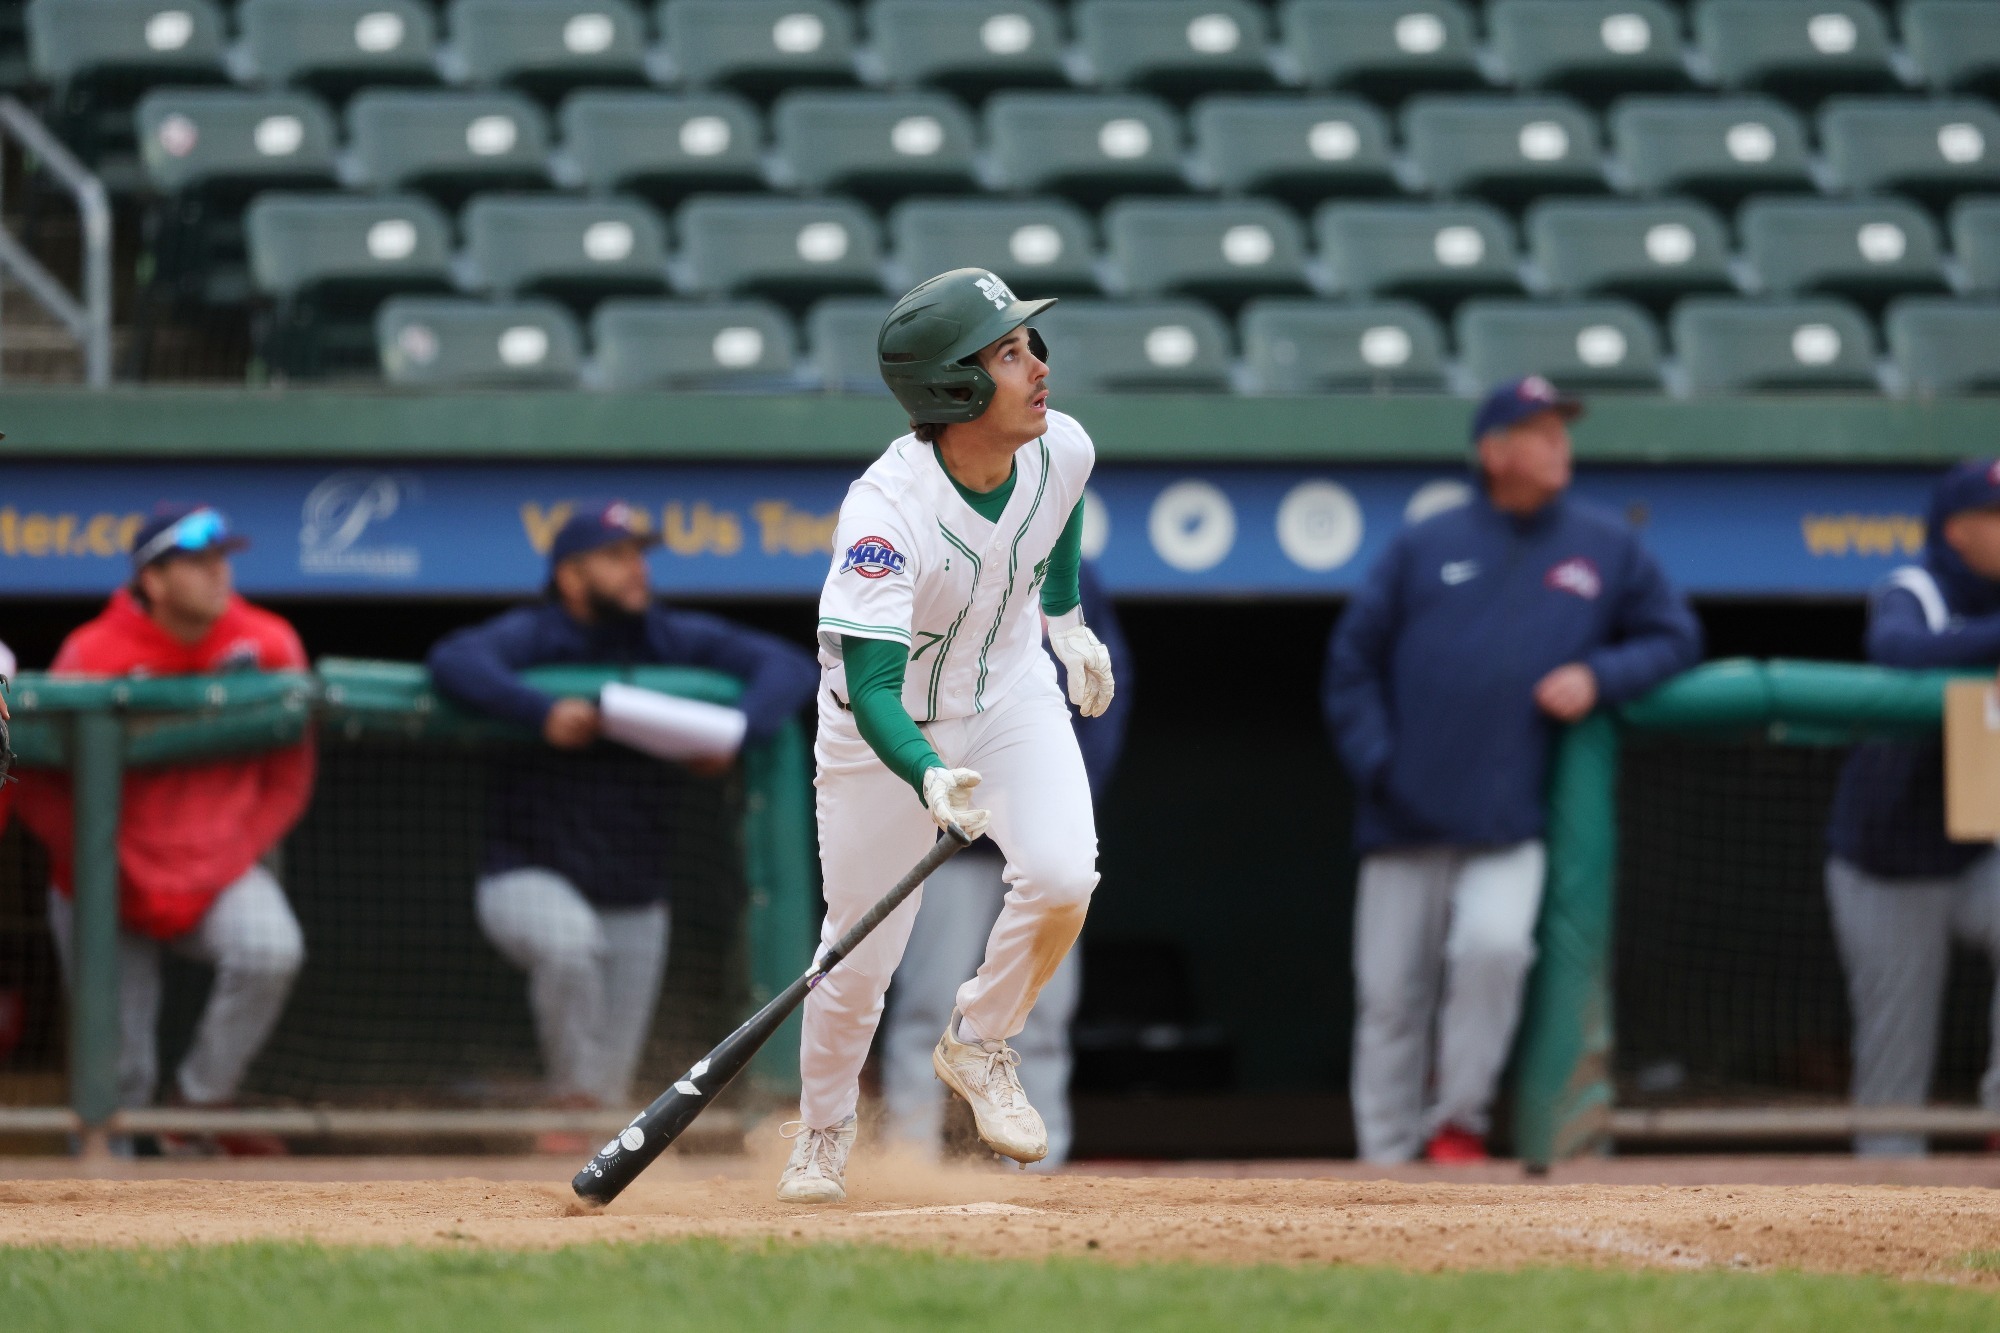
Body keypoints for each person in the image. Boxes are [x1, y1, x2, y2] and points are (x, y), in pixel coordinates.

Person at [778, 267, 1117, 1203]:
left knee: (1062, 875)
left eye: (1029, 344)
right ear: (954, 388)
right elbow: (874, 686)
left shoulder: (1063, 446)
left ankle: (980, 1039)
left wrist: (1068, 621)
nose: (1037, 365)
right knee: (858, 955)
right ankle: (822, 1133)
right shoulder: (884, 516)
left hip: (1009, 695)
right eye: (1009, 353)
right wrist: (927, 773)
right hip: (882, 733)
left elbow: (1060, 506)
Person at [1324, 376, 1702, 1165]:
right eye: (1539, 429)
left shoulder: (1604, 544)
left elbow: (1675, 635)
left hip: (1511, 816)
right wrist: (1379, 762)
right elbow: (1351, 662)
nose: (1559, 441)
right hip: (1404, 816)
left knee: (1495, 952)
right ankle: (1385, 1159)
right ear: (1495, 452)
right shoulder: (1426, 542)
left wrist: (1602, 675)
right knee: (1392, 996)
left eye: (1562, 428)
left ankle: (1458, 1123)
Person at [427, 503, 818, 1113]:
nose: (636, 570)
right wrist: (541, 711)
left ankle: (564, 1148)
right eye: (616, 557)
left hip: (634, 885)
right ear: (570, 576)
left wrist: (733, 734)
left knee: (606, 1091)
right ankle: (569, 1102)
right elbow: (452, 660)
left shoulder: (663, 634)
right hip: (527, 873)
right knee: (567, 946)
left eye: (639, 556)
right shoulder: (537, 633)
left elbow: (789, 665)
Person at [15, 506, 313, 1141]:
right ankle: (105, 1202)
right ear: (153, 580)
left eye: (221, 558)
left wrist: (232, 852)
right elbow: (35, 779)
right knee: (118, 1071)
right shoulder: (92, 651)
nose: (218, 573)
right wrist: (99, 860)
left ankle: (199, 1108)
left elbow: (290, 773)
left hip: (218, 870)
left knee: (271, 948)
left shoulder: (267, 642)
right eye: (197, 562)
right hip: (105, 882)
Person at [879, 560, 1131, 1170]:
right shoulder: (933, 547)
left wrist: (1055, 803)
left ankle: (1035, 1166)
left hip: (1037, 838)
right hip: (950, 834)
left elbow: (1103, 699)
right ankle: (908, 1158)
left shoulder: (1066, 564)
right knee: (926, 1003)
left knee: (1041, 1010)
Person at [1824, 460, 2000, 1156]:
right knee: (1896, 1047)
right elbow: (1894, 649)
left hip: (1983, 847)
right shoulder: (1914, 587)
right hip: (1887, 857)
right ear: (1960, 530)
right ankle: (1884, 1207)